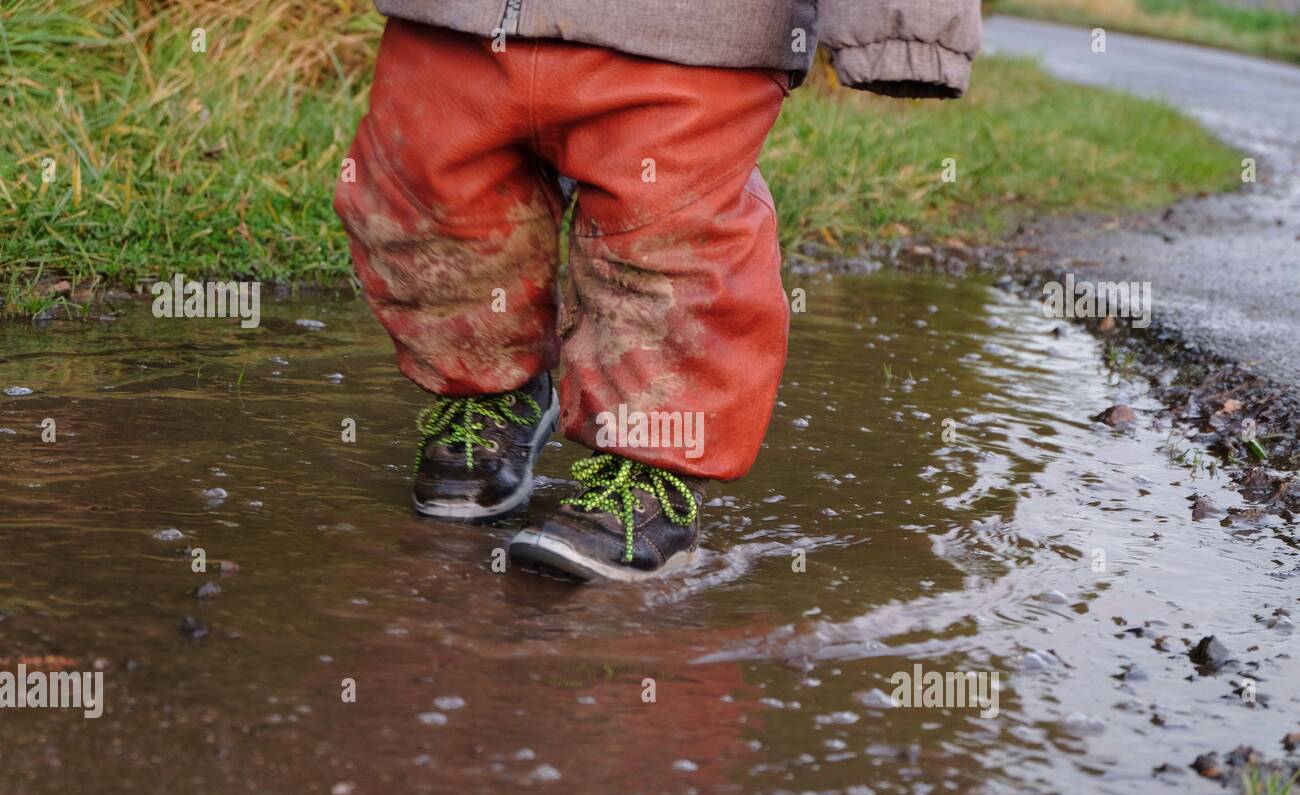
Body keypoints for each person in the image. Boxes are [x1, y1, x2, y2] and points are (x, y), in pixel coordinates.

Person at [335, 1, 982, 581]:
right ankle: (491, 391)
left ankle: (652, 472)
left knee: (669, 239)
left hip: (692, 31)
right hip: (453, 19)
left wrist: (909, 28)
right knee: (426, 201)